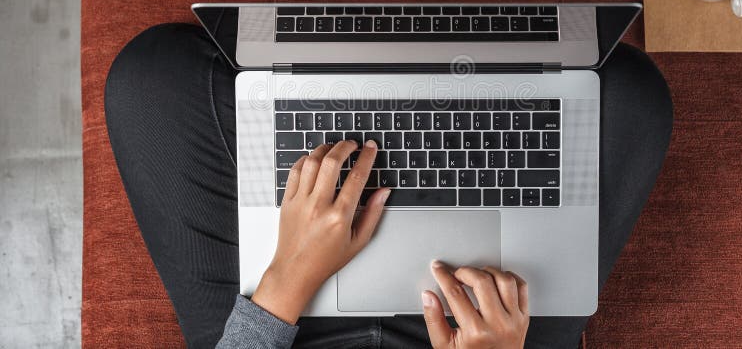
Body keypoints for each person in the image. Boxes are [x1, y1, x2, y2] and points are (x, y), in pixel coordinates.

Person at [104, 23, 672, 349]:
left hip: (288, 331)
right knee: (627, 94)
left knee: (152, 75)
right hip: (465, 330)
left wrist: (290, 275)